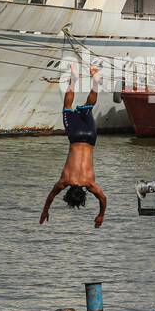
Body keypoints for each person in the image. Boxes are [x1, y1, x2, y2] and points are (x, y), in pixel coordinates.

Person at [40, 63, 107, 228]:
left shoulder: (91, 185)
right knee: (67, 108)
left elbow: (103, 199)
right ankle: (74, 80)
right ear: (68, 192)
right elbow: (51, 196)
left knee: (88, 108)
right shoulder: (65, 181)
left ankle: (96, 81)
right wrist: (45, 210)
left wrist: (101, 215)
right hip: (75, 137)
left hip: (91, 138)